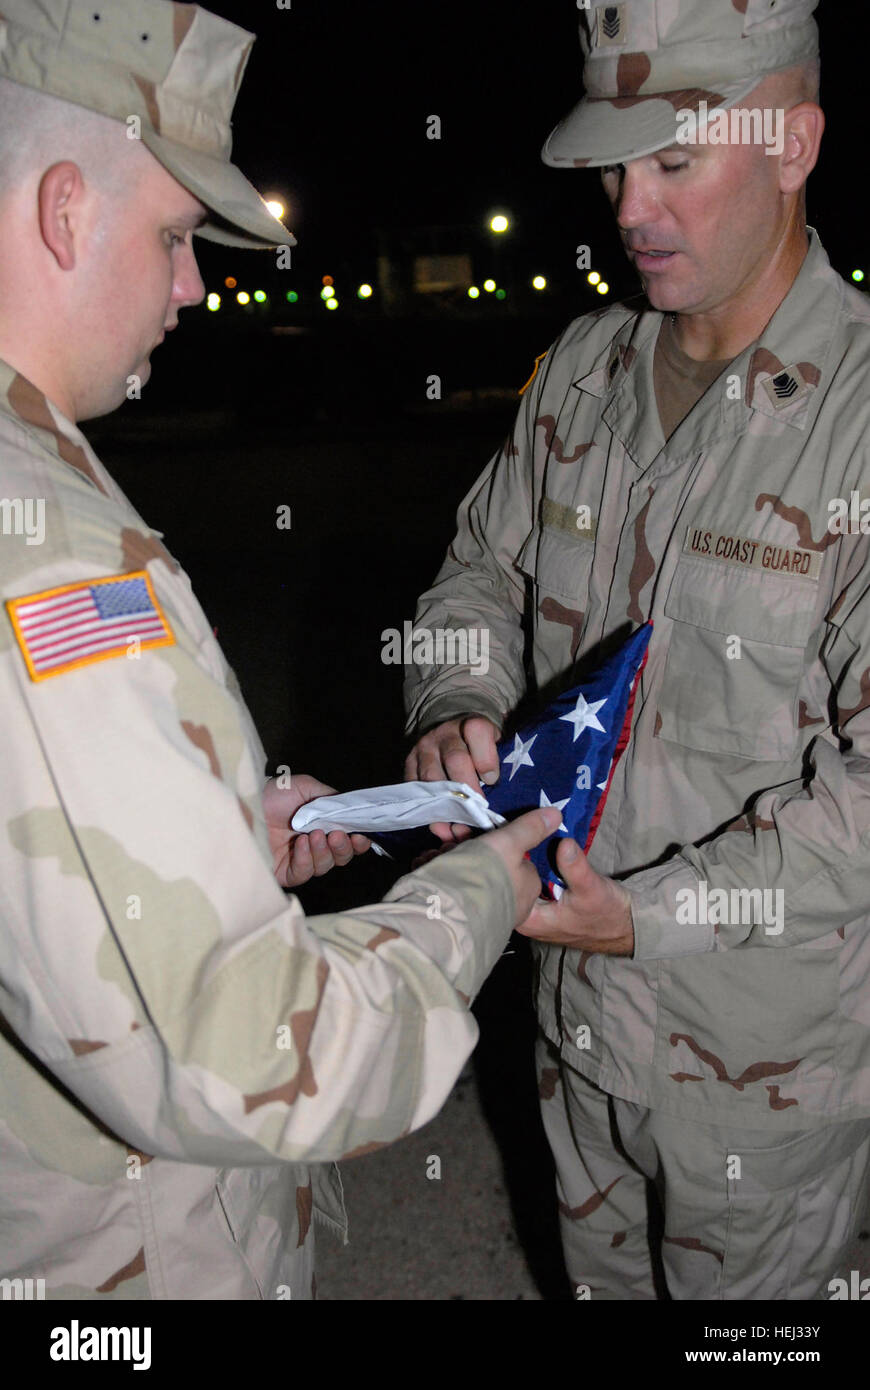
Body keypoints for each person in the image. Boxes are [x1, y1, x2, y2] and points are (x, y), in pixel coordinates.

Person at [0, 0, 561, 1301]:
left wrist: (216, 837)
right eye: (177, 233)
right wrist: (474, 889)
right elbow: (244, 1056)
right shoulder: (46, 545)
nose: (197, 284)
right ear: (66, 211)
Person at [404, 0, 870, 1299]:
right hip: (574, 1027)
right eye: (614, 165)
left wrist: (646, 916)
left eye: (674, 161)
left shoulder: (853, 425)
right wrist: (454, 694)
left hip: (762, 1080)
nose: (628, 206)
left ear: (793, 145)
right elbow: (475, 571)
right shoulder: (581, 376)